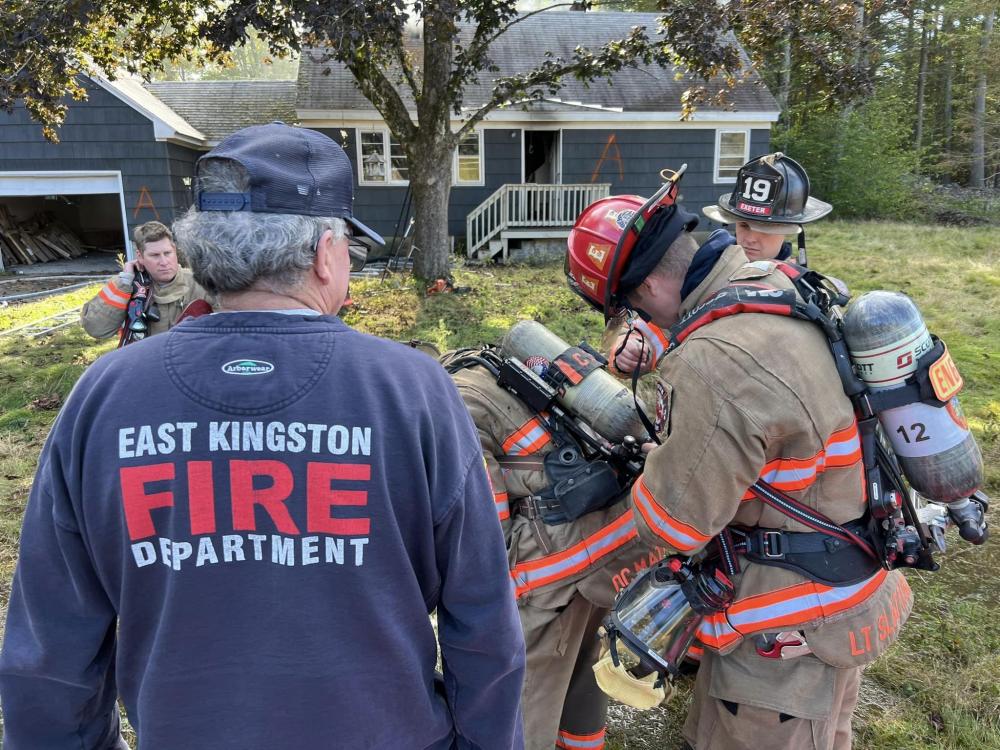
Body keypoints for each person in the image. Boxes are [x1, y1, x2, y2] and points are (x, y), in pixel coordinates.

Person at [0, 123, 525, 750]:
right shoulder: (413, 391)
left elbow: (51, 649)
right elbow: (484, 623)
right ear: (326, 254)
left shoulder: (104, 398)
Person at [564, 169, 913, 749]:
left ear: (648, 289)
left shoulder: (714, 359)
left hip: (787, 630)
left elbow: (674, 522)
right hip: (841, 585)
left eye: (627, 310)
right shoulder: (776, 282)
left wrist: (662, 463)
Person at [442, 345, 664, 750]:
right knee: (584, 666)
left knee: (527, 703)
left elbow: (483, 539)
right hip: (614, 538)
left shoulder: (453, 405)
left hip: (550, 574)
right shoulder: (512, 369)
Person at [608, 153, 831, 376]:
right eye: (744, 225)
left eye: (765, 228)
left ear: (788, 230)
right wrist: (630, 348)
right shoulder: (711, 272)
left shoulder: (798, 291)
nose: (751, 238)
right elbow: (666, 313)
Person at [80, 220, 208, 340]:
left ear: (174, 250)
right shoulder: (125, 284)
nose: (164, 262)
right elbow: (97, 330)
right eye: (154, 255)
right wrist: (125, 283)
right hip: (143, 360)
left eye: (167, 253)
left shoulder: (200, 282)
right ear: (140, 257)